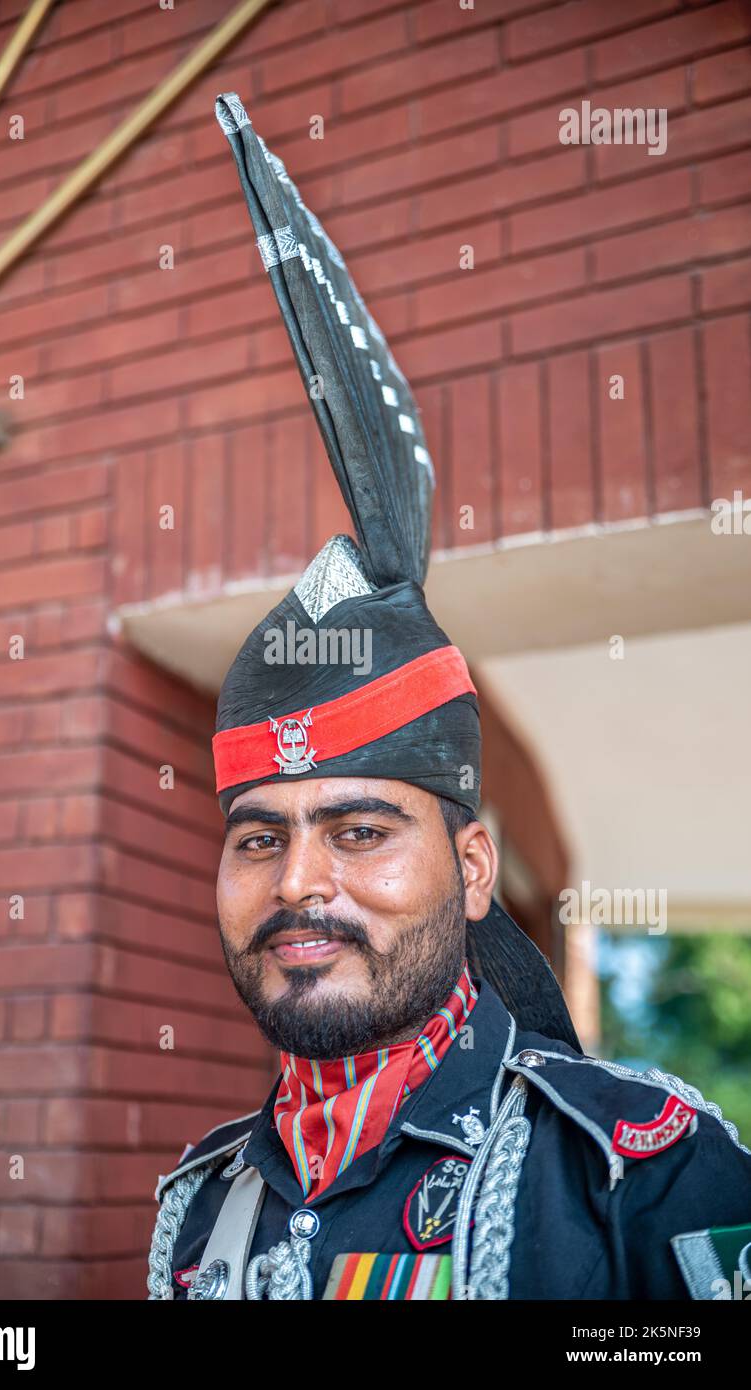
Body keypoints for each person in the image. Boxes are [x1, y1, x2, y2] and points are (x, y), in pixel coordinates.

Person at [145, 94, 751, 1301]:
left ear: (473, 868)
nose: (298, 881)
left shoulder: (645, 1177)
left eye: (361, 829)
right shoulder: (193, 1210)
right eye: (257, 836)